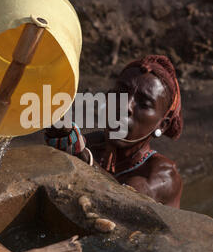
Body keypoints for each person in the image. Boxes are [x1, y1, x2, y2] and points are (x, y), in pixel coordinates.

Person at [45, 55, 183, 208]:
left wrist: (80, 155)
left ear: (162, 125)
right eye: (120, 94)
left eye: (143, 104)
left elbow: (119, 201)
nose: (125, 106)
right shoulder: (95, 143)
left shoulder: (163, 176)